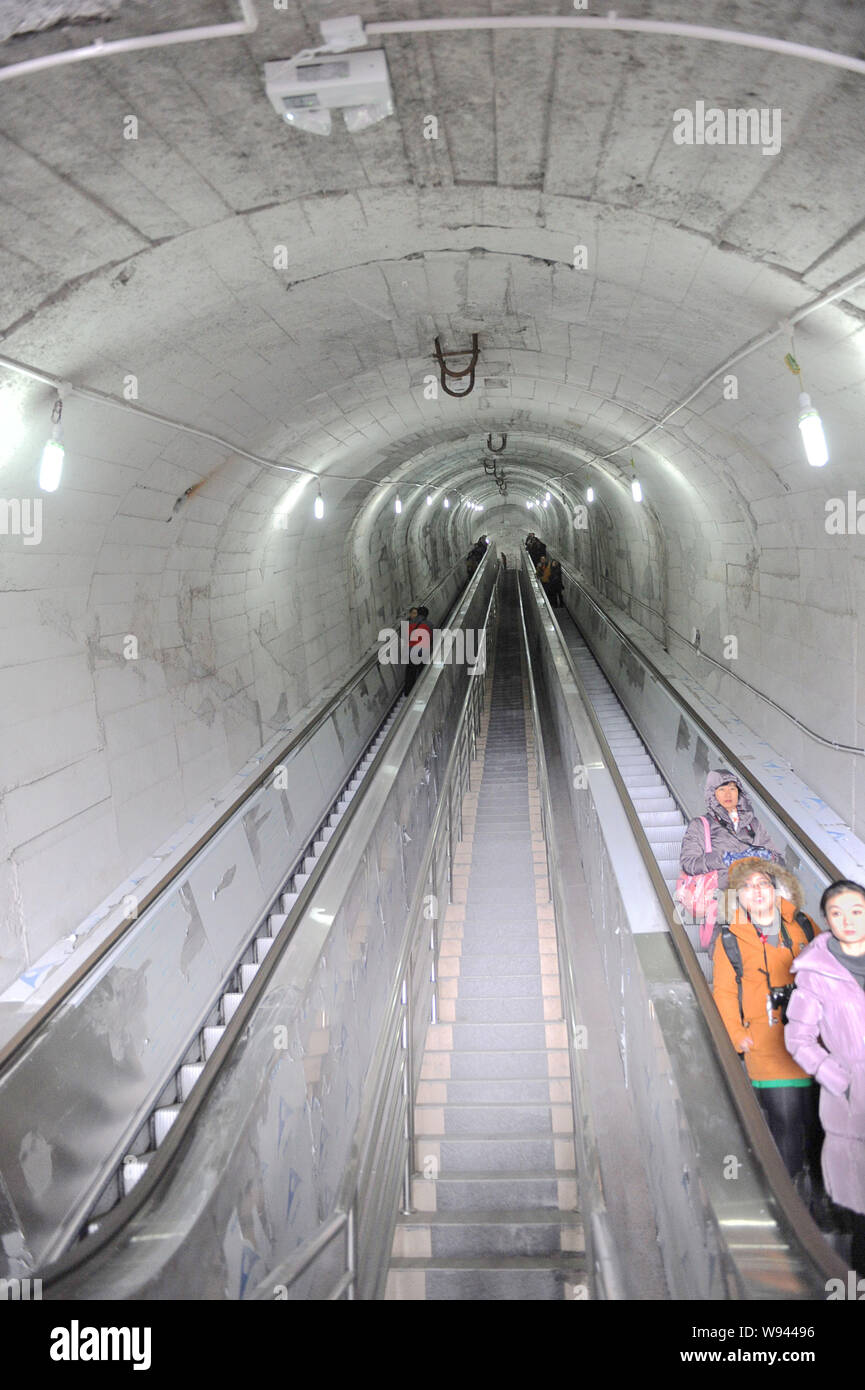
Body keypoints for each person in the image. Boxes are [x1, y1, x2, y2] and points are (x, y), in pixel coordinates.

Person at [713, 858, 822, 1186]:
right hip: (768, 1044)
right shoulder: (730, 939)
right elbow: (724, 992)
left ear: (776, 890)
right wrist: (737, 1034)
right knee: (786, 1127)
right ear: (738, 897)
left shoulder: (803, 925)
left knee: (818, 1127)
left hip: (814, 1040)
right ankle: (790, 1204)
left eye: (762, 884)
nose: (756, 891)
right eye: (747, 887)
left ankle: (823, 1202)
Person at [787, 880, 865, 1268]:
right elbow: (798, 1038)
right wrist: (838, 1079)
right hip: (851, 1103)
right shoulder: (815, 973)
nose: (847, 921)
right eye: (837, 913)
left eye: (856, 911)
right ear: (826, 919)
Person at [679, 769, 784, 895]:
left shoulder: (753, 824)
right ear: (713, 794)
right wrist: (723, 859)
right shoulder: (700, 825)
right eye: (722, 790)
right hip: (720, 899)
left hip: (756, 897)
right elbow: (689, 863)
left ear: (739, 793)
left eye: (732, 789)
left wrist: (767, 856)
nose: (728, 794)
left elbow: (780, 862)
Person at [403, 605, 432, 696]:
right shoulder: (429, 624)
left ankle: (408, 692)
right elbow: (431, 639)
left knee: (410, 672)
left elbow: (405, 637)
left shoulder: (410, 623)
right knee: (422, 671)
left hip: (410, 651)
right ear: (426, 615)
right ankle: (420, 692)